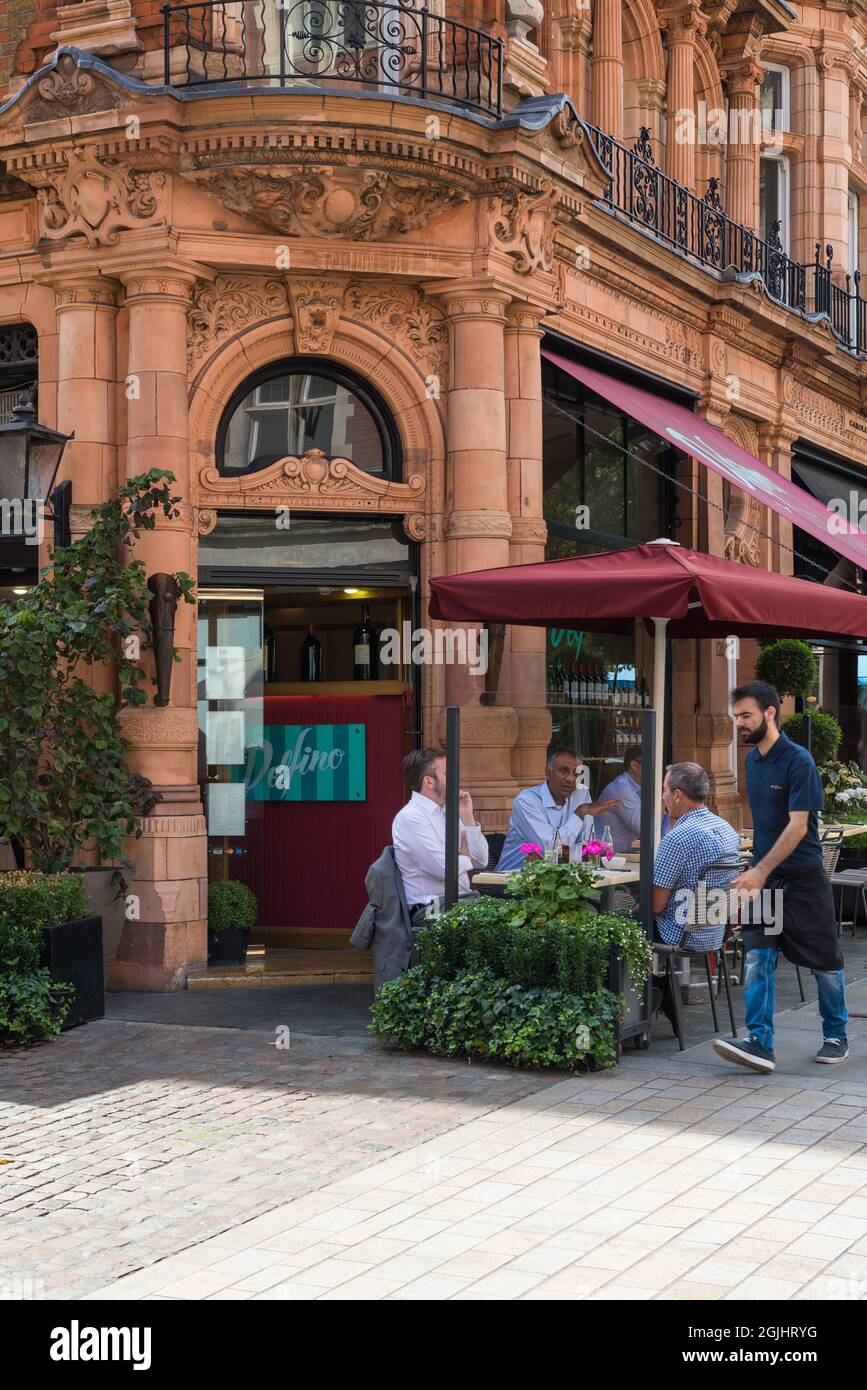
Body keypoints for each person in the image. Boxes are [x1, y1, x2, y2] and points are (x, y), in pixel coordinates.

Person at [713, 679, 849, 1074]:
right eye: (736, 716)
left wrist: (759, 869)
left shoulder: (798, 761)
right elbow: (767, 824)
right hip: (765, 882)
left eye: (745, 716)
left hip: (803, 880)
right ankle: (760, 1042)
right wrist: (753, 867)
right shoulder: (752, 761)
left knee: (824, 962)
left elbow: (797, 826)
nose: (739, 723)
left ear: (770, 713)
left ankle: (836, 1034)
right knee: (757, 955)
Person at [651, 762, 740, 1029]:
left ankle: (647, 1002)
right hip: (715, 932)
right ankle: (661, 991)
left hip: (680, 935)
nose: (663, 797)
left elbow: (656, 906)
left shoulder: (677, 838)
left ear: (678, 794)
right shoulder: (727, 829)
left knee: (616, 927)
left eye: (665, 790)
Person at [392, 747, 488, 923]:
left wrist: (468, 816)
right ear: (429, 781)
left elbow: (481, 861)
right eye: (448, 774)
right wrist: (465, 857)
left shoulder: (450, 811)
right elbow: (443, 870)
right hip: (432, 909)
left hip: (464, 901)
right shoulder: (411, 817)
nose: (455, 779)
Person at [496, 745, 621, 872]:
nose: (570, 779)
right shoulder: (526, 801)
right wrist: (579, 813)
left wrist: (570, 851)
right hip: (514, 882)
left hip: (563, 878)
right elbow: (550, 850)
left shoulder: (581, 794)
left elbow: (587, 847)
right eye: (563, 771)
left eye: (576, 773)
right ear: (548, 771)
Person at [594, 745, 643, 851]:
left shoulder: (638, 789)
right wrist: (663, 799)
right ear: (634, 765)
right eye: (651, 764)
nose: (657, 769)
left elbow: (664, 831)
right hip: (606, 858)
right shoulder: (621, 789)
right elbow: (645, 831)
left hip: (620, 856)